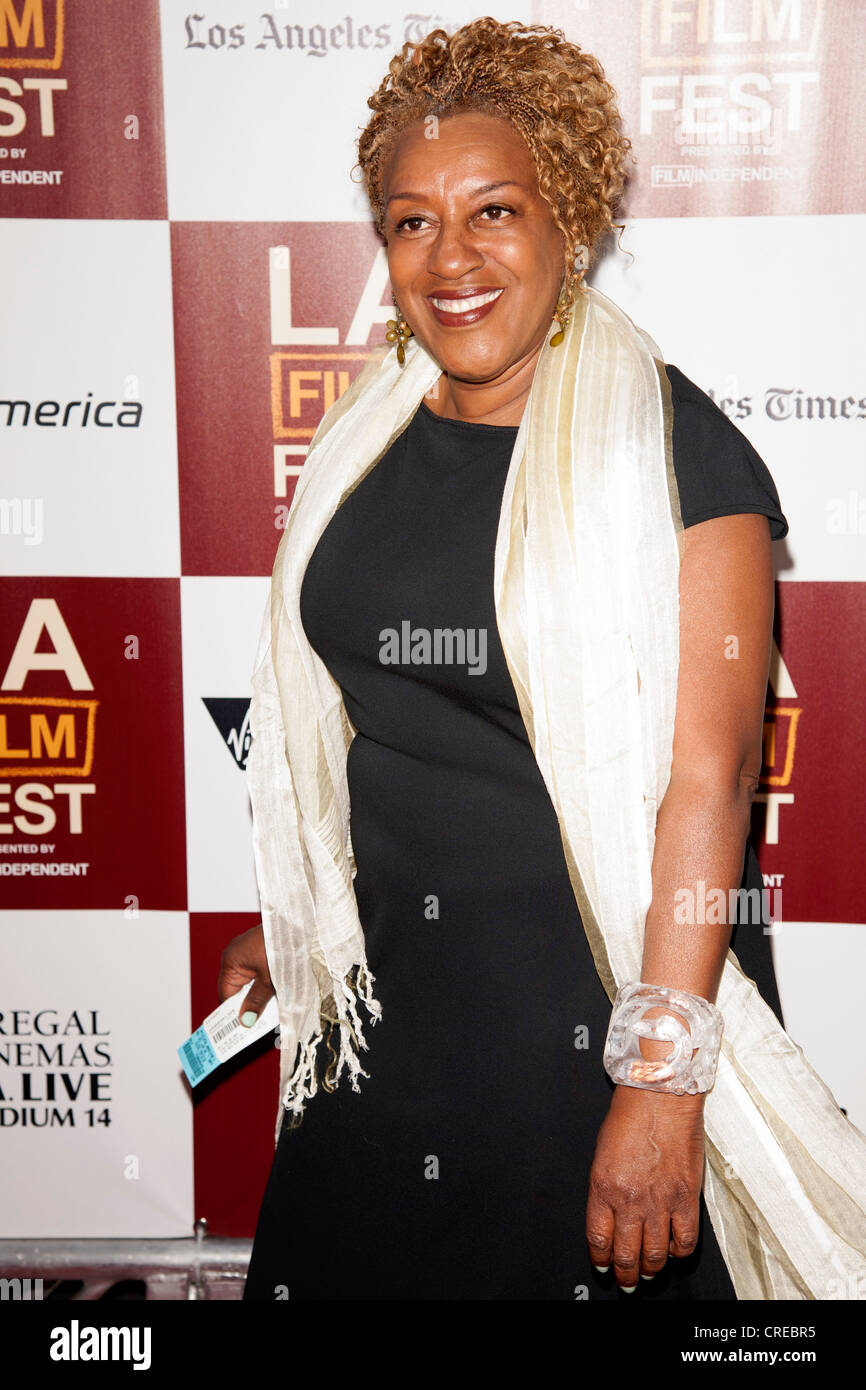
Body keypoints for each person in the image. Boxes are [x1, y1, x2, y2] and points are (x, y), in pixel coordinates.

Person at [222, 19, 866, 1301]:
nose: (449, 258)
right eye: (410, 222)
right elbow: (366, 725)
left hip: (579, 1028)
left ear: (565, 217)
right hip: (387, 1016)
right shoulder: (364, 437)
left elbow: (707, 775)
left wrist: (657, 1081)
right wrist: (297, 917)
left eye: (493, 211)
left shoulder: (675, 453)